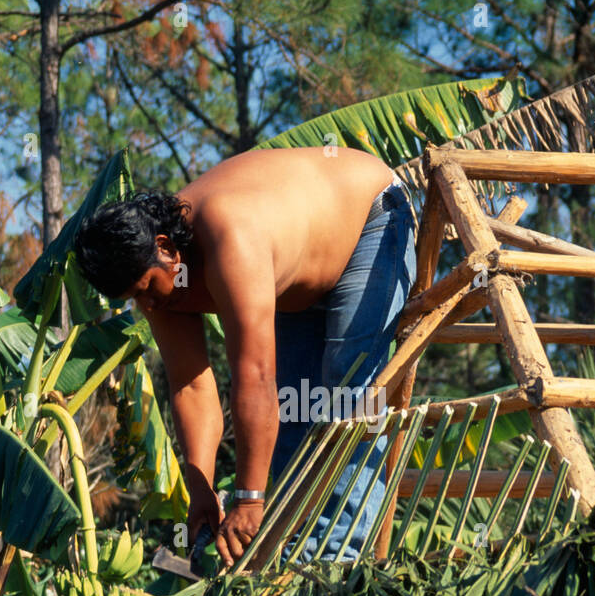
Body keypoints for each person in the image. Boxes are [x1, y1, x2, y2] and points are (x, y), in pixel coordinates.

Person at [73, 147, 416, 565]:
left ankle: (339, 560)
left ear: (165, 247)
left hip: (371, 218)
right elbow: (191, 384)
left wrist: (249, 501)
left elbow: (254, 377)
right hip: (299, 281)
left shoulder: (228, 235)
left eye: (145, 287)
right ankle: (295, 548)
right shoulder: (158, 282)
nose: (145, 303)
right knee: (295, 410)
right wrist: (200, 489)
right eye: (132, 298)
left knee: (349, 390)